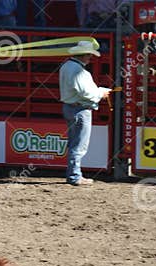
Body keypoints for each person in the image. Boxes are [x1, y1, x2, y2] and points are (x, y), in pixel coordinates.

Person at [58, 40, 111, 186]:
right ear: (83, 55)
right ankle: (75, 176)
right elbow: (85, 92)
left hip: (70, 106)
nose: (90, 58)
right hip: (79, 109)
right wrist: (101, 93)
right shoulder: (78, 70)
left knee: (74, 142)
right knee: (79, 144)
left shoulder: (66, 66)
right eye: (89, 55)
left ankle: (74, 174)